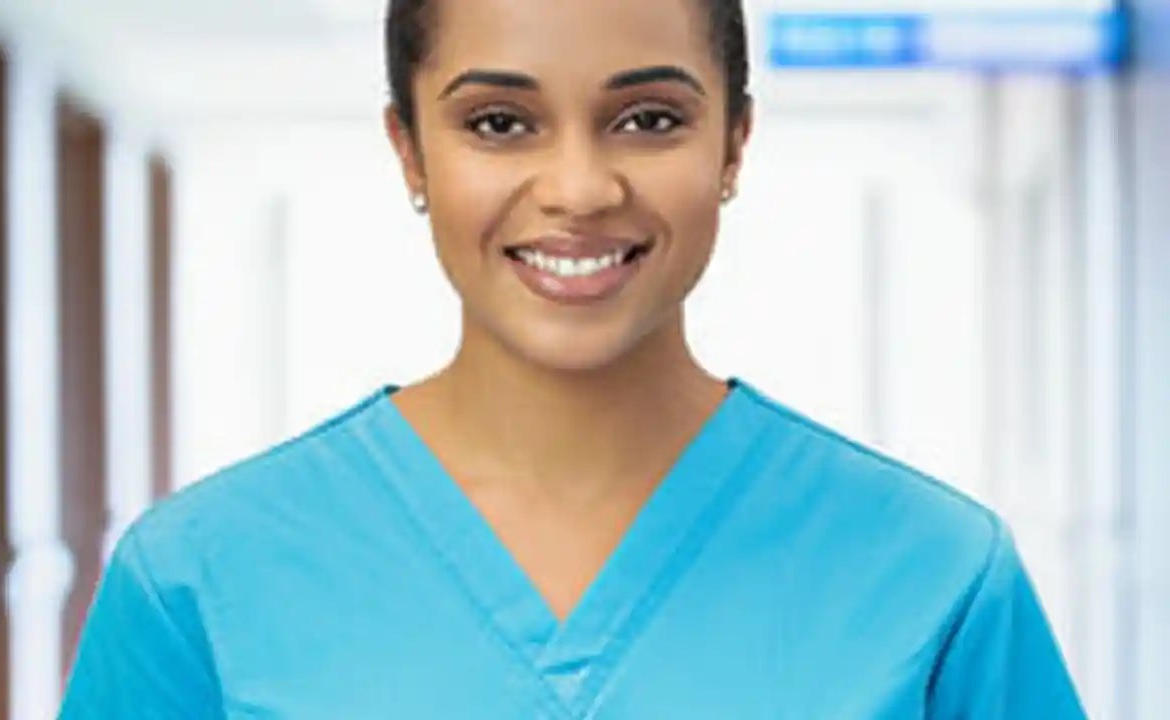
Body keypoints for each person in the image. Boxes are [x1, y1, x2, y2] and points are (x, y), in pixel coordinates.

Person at [59, 0, 1088, 717]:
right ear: (410, 152)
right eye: (498, 123)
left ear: (731, 144)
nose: (580, 186)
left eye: (648, 119)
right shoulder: (198, 582)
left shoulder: (935, 577)